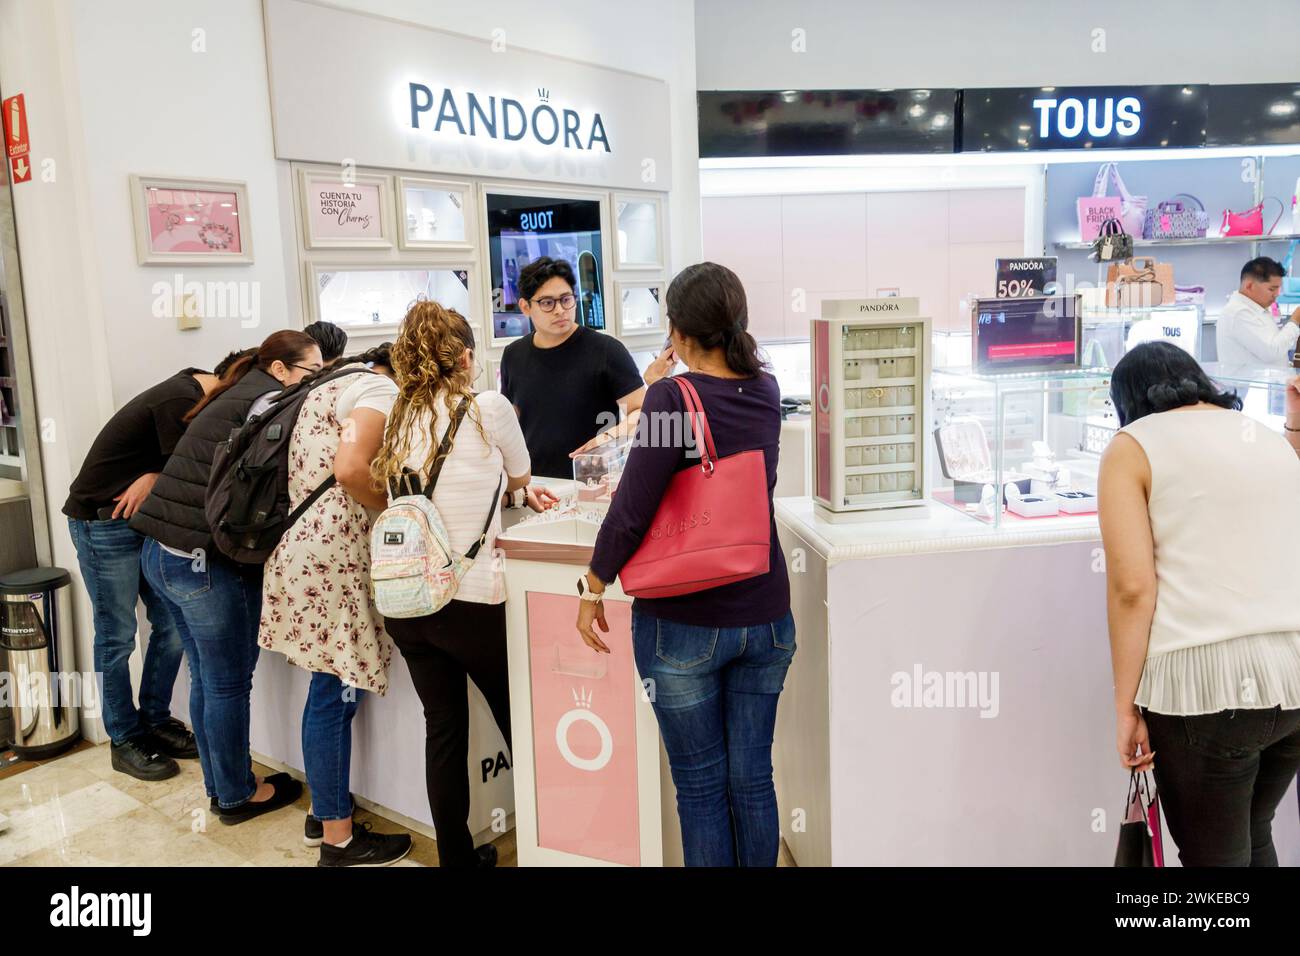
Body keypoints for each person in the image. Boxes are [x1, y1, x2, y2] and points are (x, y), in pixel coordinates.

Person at [577, 261, 794, 867]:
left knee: (700, 787)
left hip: (685, 624)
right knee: (752, 779)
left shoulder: (672, 397)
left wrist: (593, 585)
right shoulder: (766, 389)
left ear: (677, 331)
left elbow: (631, 508)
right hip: (767, 615)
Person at [1100, 341, 1300, 866]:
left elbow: (1132, 589)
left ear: (1128, 401)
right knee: (1254, 835)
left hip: (1206, 692)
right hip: (1292, 679)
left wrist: (1126, 707)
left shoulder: (1132, 445)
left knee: (1215, 864)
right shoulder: (1262, 433)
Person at [131, 330, 323, 824]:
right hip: (201, 563)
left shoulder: (238, 392)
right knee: (228, 685)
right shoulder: (268, 402)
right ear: (281, 369)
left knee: (208, 680)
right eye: (311, 372)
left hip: (160, 551)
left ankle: (222, 786)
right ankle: (237, 795)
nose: (317, 381)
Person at [371, 300, 531, 868]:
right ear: (464, 355)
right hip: (470, 600)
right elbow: (520, 475)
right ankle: (546, 842)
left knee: (443, 732)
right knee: (521, 723)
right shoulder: (487, 406)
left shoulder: (399, 415)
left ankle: (456, 861)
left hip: (408, 601)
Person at [259, 343, 412, 867]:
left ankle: (324, 809)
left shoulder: (322, 386)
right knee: (334, 695)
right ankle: (338, 839)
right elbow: (350, 470)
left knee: (327, 689)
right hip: (337, 559)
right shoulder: (378, 388)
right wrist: (398, 510)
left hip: (303, 551)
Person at [64, 362, 235, 780]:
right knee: (117, 634)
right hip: (103, 522)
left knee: (172, 624)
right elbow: (187, 472)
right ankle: (123, 737)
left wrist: (153, 478)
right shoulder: (182, 397)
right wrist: (157, 476)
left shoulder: (193, 393)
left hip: (143, 519)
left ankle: (155, 721)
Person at [500, 256, 652, 486]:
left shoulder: (606, 350)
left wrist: (609, 438)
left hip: (594, 482)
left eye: (566, 299)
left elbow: (643, 410)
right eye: (547, 303)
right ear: (525, 307)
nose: (560, 310)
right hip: (536, 484)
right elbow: (512, 418)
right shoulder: (513, 355)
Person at [1216, 257, 1300, 368]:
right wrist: (1294, 320)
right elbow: (1272, 352)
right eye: (1271, 289)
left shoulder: (1257, 308)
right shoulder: (1238, 313)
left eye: (1278, 289)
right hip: (1247, 384)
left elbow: (1274, 346)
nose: (1277, 294)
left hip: (1270, 382)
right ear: (1249, 286)